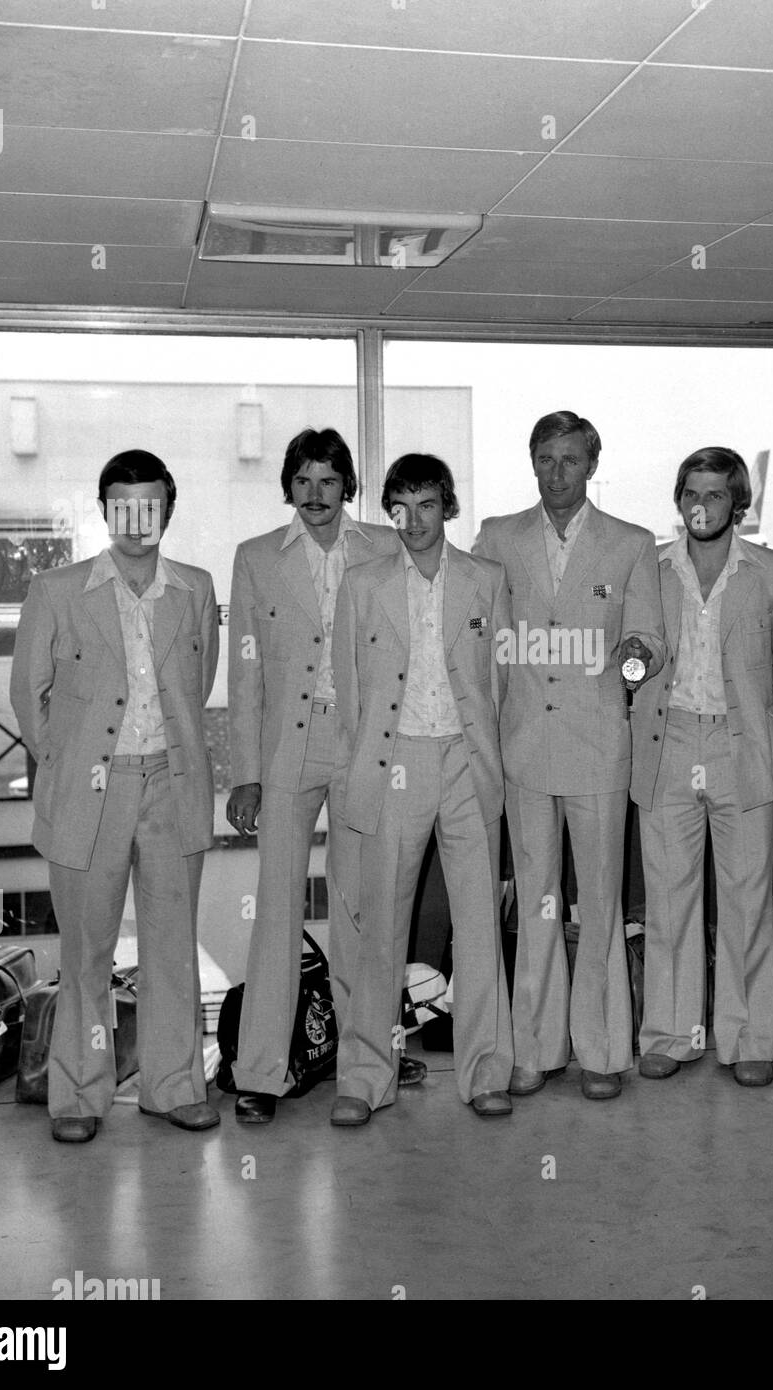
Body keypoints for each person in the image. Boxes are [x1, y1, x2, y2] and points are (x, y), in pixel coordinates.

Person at [10, 450, 219, 1142]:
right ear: (103, 510)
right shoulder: (57, 591)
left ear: (168, 510)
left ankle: (174, 1086)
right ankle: (78, 1095)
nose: (136, 519)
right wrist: (71, 767)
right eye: (122, 504)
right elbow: (28, 696)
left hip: (171, 784)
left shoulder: (194, 589)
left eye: (150, 504)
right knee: (86, 953)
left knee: (171, 950)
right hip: (89, 792)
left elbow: (198, 682)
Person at [227, 426, 423, 1123]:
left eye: (329, 481)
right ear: (289, 485)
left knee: (359, 907)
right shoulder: (255, 559)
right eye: (304, 481)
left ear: (348, 487)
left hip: (365, 745)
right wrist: (244, 773)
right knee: (276, 908)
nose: (315, 495)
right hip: (287, 751)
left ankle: (367, 1062)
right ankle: (259, 1071)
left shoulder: (384, 547)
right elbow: (245, 673)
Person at [473, 410, 665, 1101]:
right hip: (521, 742)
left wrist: (637, 658)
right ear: (532, 462)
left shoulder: (630, 543)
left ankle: (605, 1052)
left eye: (570, 460)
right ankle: (534, 1048)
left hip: (597, 745)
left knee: (602, 901)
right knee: (537, 903)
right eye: (546, 459)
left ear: (592, 465)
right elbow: (479, 634)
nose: (557, 473)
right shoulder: (497, 537)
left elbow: (648, 635)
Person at [329, 454, 515, 1124]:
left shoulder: (485, 580)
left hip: (467, 761)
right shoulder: (363, 583)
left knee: (477, 926)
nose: (413, 520)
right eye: (400, 506)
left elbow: (502, 681)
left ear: (448, 506)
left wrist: (487, 754)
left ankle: (486, 1071)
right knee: (383, 926)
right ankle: (364, 1079)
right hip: (394, 762)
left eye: (427, 504)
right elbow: (349, 691)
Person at [630, 447, 773, 1085]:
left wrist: (756, 718)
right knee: (669, 900)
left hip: (741, 746)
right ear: (679, 500)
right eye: (692, 494)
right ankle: (672, 1035)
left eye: (717, 495)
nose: (702, 506)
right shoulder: (650, 568)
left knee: (748, 899)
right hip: (668, 744)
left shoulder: (772, 571)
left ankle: (750, 1038)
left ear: (738, 504)